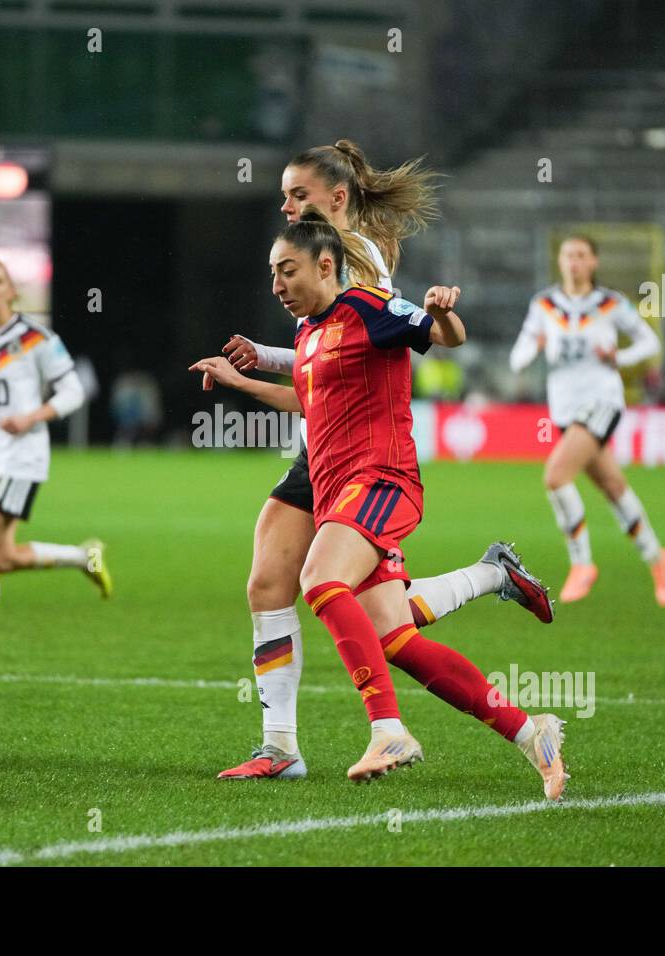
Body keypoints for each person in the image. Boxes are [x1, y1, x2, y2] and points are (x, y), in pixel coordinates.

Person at [191, 210, 568, 796]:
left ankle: (388, 728)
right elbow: (309, 402)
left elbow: (446, 337)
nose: (277, 286)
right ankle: (529, 731)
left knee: (318, 578)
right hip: (340, 487)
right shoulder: (307, 333)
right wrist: (241, 381)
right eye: (272, 274)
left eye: (286, 271)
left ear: (324, 264)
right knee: (395, 639)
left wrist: (441, 310)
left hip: (381, 480)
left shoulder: (370, 308)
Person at [0, 258, 112, 661]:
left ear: (12, 290)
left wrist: (34, 416)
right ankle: (83, 557)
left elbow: (73, 390)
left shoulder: (37, 339)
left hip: (22, 457)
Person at [510, 234, 665, 606]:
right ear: (561, 260)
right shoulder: (544, 305)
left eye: (581, 255)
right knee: (613, 486)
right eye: (568, 254)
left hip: (602, 402)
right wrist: (531, 352)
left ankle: (582, 563)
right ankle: (656, 559)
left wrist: (618, 356)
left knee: (556, 476)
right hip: (566, 412)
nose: (574, 261)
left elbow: (650, 343)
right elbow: (517, 356)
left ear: (593, 262)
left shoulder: (610, 303)